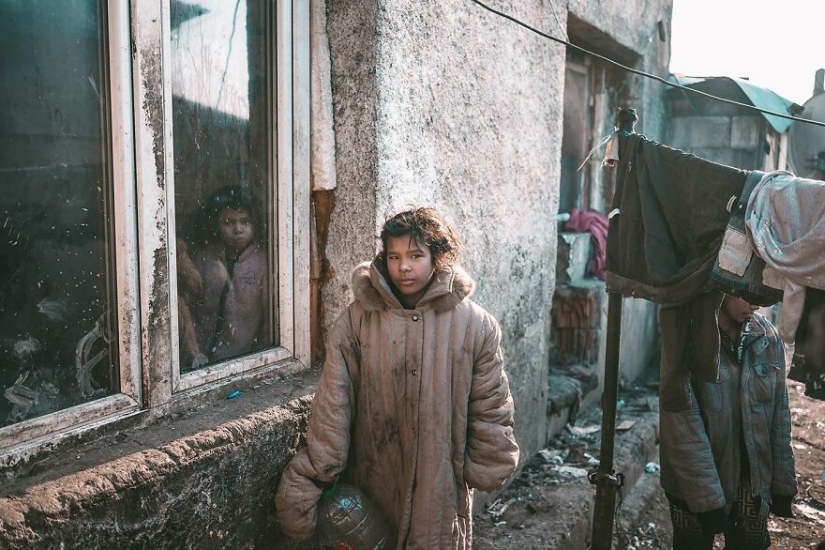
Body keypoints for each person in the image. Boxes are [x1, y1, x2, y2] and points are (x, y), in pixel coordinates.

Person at [275, 207, 520, 548]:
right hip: (372, 481)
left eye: (416, 255)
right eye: (394, 256)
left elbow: (490, 404)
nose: (403, 267)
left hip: (439, 492)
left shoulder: (475, 326)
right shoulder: (359, 320)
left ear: (438, 258)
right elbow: (333, 403)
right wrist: (312, 476)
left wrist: (490, 458)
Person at [663, 294, 797, 549]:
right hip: (694, 486)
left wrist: (783, 482)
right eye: (746, 295)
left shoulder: (767, 338)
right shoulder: (687, 338)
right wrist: (707, 498)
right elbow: (682, 423)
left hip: (751, 482)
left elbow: (779, 414)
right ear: (721, 291)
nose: (755, 306)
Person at [190, 184, 269, 364]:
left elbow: (269, 321)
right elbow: (192, 307)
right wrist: (193, 351)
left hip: (246, 357)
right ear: (215, 224)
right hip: (203, 357)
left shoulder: (263, 262)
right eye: (229, 222)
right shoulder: (205, 258)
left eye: (245, 221)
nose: (238, 229)